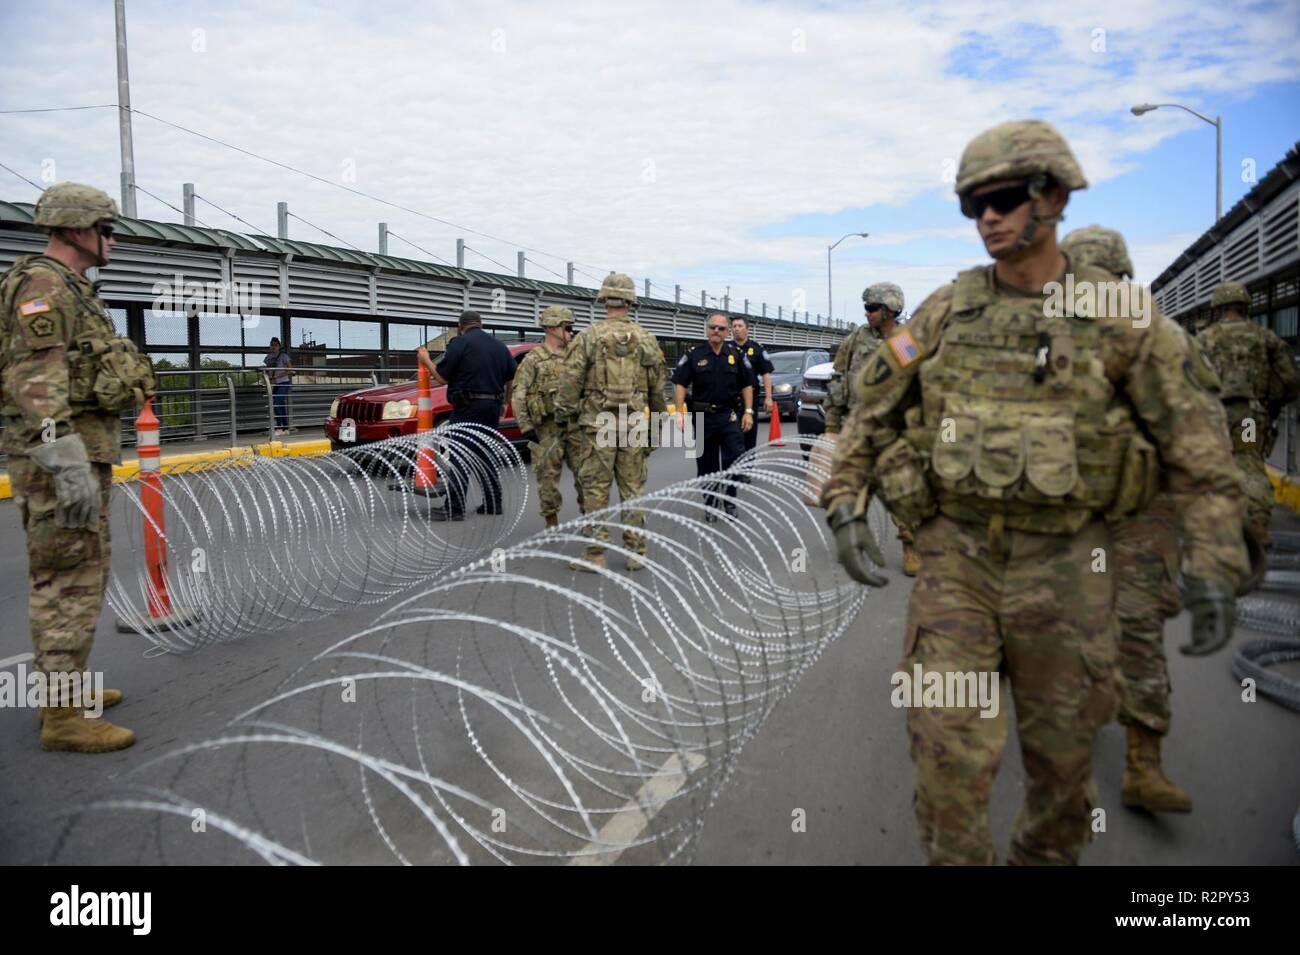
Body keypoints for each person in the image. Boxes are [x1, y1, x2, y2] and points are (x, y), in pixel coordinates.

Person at [821, 120, 1248, 865]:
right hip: (958, 563)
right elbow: (875, 405)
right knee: (945, 759)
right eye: (973, 203)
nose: (988, 215)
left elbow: (1196, 443)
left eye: (1004, 197)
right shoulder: (945, 311)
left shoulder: (1120, 316)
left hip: (1070, 569)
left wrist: (1214, 556)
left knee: (1062, 780)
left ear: (1051, 196)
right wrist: (845, 495)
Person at [1061, 225, 1230, 813]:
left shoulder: (1155, 336)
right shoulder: (1045, 338)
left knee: (1126, 626)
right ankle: (1126, 749)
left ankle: (1139, 762)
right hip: (1077, 516)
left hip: (1133, 513)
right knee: (1109, 627)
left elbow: (1198, 446)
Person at [0, 182, 155, 752]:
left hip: (81, 453)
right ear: (74, 230)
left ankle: (67, 690)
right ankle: (63, 716)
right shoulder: (43, 286)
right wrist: (62, 457)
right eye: (106, 229)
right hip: (59, 458)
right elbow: (34, 380)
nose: (112, 239)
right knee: (67, 580)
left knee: (84, 573)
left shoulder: (71, 287)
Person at [555, 273, 667, 571]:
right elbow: (658, 389)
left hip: (597, 425)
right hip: (633, 425)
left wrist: (564, 416)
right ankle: (636, 552)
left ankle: (596, 554)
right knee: (632, 488)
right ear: (630, 301)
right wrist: (657, 427)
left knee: (595, 489)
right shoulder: (646, 339)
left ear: (604, 299)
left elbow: (570, 382)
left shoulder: (588, 337)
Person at [1196, 280, 1300, 553]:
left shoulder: (1205, 339)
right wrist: (1270, 403)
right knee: (1249, 463)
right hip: (1250, 418)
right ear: (1245, 306)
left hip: (1214, 416)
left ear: (1217, 307)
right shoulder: (1265, 337)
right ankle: (1258, 526)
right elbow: (1290, 378)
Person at [823, 282, 919, 575]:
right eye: (866, 308)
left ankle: (910, 545)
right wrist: (832, 424)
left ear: (889, 310)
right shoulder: (855, 340)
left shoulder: (905, 342)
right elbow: (838, 380)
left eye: (872, 308)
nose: (866, 314)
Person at [416, 310, 516, 521]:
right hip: (493, 406)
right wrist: (505, 403)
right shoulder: (499, 346)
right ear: (481, 324)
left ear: (460, 326)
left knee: (460, 455)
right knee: (485, 454)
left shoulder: (459, 343)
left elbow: (442, 378)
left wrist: (425, 359)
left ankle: (455, 508)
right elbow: (510, 379)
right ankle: (493, 503)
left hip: (468, 406)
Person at [672, 312, 755, 522]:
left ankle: (729, 501)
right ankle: (710, 504)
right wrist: (680, 413)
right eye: (712, 327)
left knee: (733, 460)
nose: (716, 331)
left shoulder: (736, 354)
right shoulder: (693, 354)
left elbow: (747, 384)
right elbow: (680, 383)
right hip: (702, 418)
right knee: (706, 465)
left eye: (720, 328)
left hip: (729, 416)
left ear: (727, 332)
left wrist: (748, 412)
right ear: (707, 329)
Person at [513, 305, 582, 529]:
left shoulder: (576, 358)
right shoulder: (534, 359)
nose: (571, 332)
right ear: (553, 328)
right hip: (546, 429)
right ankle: (551, 522)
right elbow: (518, 394)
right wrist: (526, 427)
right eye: (568, 327)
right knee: (548, 480)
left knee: (587, 478)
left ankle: (590, 522)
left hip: (576, 427)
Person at [730, 316, 773, 457]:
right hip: (730, 399)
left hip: (750, 399)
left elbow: (766, 374)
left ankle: (746, 469)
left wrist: (768, 398)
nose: (736, 328)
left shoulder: (756, 348)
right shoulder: (726, 349)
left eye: (740, 326)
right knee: (731, 434)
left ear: (747, 329)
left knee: (749, 434)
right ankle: (732, 467)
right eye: (734, 326)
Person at [264, 336, 292, 434]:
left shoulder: (284, 356)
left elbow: (290, 370)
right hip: (275, 384)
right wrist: (267, 378)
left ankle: (279, 428)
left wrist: (278, 376)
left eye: (275, 345)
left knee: (276, 404)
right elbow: (267, 370)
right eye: (272, 345)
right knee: (281, 405)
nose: (273, 347)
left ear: (279, 346)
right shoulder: (268, 357)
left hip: (284, 382)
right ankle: (286, 428)